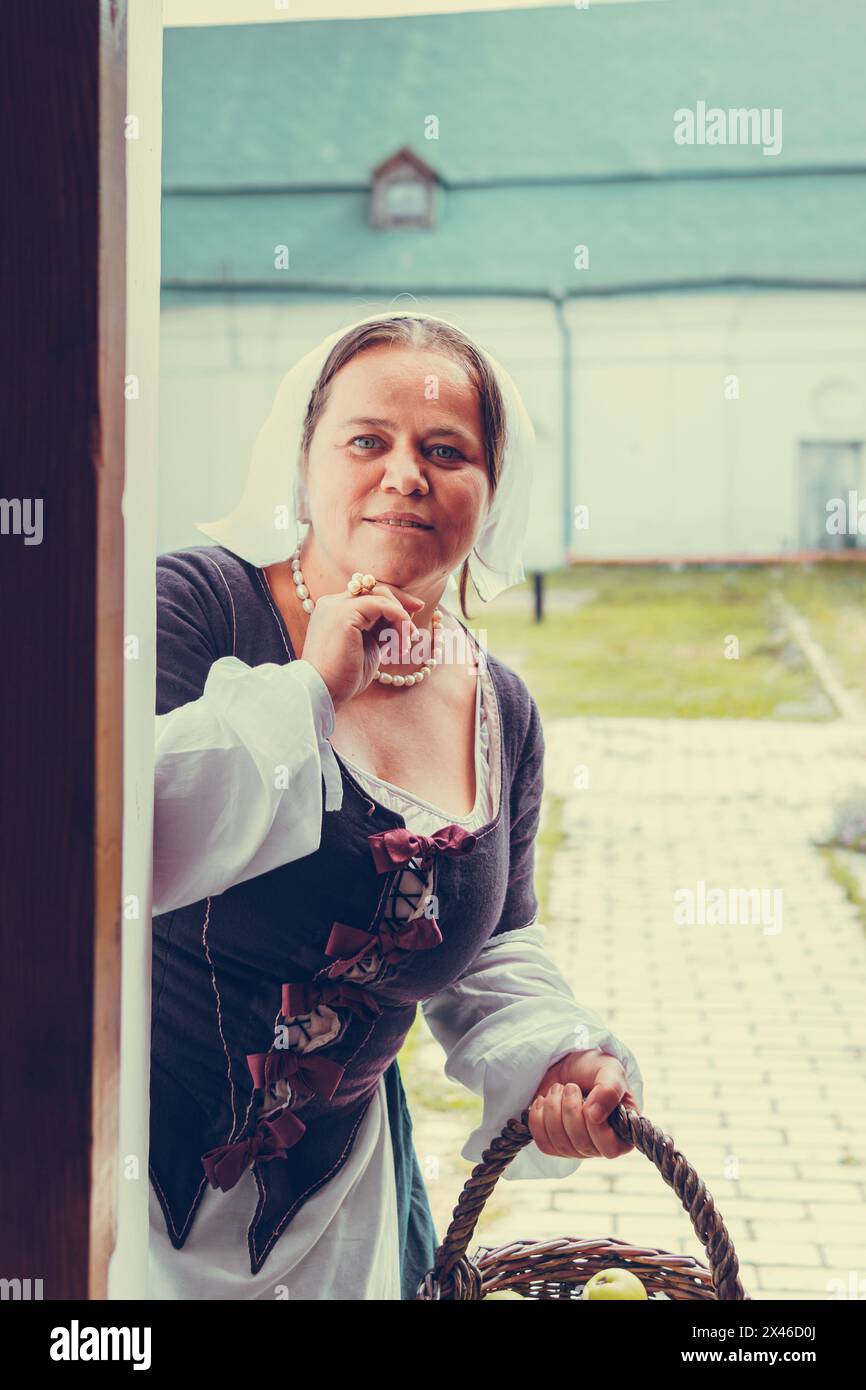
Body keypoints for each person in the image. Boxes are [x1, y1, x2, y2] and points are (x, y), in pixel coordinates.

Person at [147, 309, 644, 1301]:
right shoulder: (196, 611)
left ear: (491, 487)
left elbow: (493, 938)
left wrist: (560, 1054)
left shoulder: (500, 708)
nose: (406, 472)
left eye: (446, 449)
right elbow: (114, 843)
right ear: (304, 462)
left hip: (341, 1213)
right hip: (117, 1181)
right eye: (367, 440)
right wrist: (309, 690)